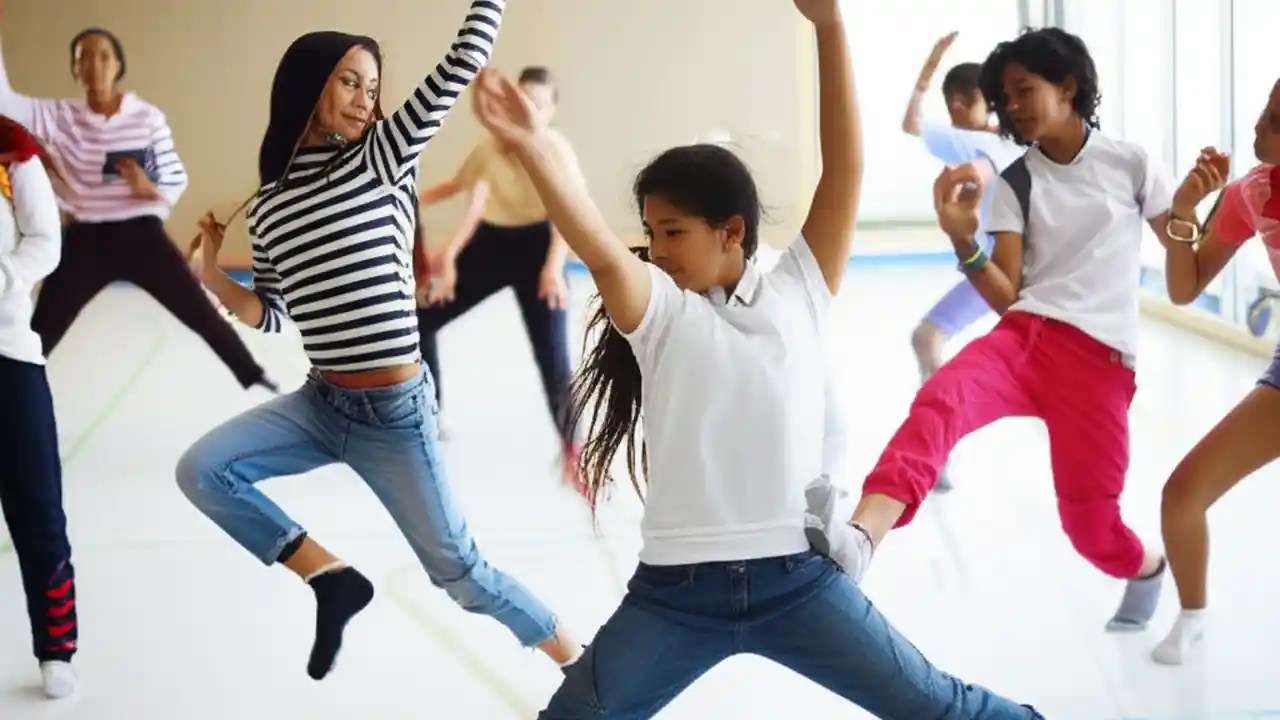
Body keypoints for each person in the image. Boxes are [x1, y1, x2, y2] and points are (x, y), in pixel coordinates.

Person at [470, 1, 1043, 717]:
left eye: (672, 230)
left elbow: (847, 166)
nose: (658, 248)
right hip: (674, 595)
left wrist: (830, 30)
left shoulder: (799, 289)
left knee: (937, 705)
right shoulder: (658, 312)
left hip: (799, 582)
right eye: (652, 231)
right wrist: (533, 146)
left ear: (730, 230)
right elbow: (592, 239)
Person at [175, 0, 581, 681]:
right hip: (321, 403)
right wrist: (210, 272)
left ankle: (580, 661)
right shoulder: (270, 205)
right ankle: (330, 578)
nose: (367, 99)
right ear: (308, 85)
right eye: (349, 82)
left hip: (396, 417)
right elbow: (272, 314)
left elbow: (464, 59)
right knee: (202, 471)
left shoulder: (382, 156)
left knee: (462, 576)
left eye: (372, 84)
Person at [806, 26, 1208, 634]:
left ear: (1069, 85)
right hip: (1024, 339)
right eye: (1005, 97)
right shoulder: (1015, 180)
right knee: (938, 400)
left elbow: (1186, 279)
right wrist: (963, 239)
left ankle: (1147, 568)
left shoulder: (1132, 164)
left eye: (1023, 90)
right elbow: (1010, 296)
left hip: (1099, 364)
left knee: (1091, 530)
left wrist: (1186, 215)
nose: (1012, 106)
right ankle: (862, 537)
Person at [0, 20, 269, 390]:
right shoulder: (60, 116)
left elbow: (174, 177)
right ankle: (14, 387)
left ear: (118, 65)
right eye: (85, 57)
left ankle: (254, 376)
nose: (95, 64)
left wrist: (147, 187)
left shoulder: (146, 118)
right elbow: (6, 103)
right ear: (75, 68)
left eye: (104, 56)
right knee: (42, 328)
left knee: (198, 310)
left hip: (141, 232)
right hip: (84, 238)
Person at [1152, 77, 1280, 665]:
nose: (1258, 127)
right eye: (1266, 109)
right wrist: (1183, 210)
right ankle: (1193, 616)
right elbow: (1184, 287)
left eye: (1277, 120)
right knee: (1182, 495)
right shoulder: (1252, 192)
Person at [416, 66, 580, 483]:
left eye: (537, 104)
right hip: (492, 245)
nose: (526, 109)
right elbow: (458, 188)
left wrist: (553, 268)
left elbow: (567, 214)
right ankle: (428, 420)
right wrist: (404, 198)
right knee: (422, 319)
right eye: (520, 99)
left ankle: (575, 453)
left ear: (551, 111)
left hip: (539, 248)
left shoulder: (555, 150)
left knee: (554, 359)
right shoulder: (489, 147)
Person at [901, 31, 1023, 492]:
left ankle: (937, 450)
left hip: (1005, 267)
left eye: (963, 102)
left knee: (929, 338)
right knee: (926, 339)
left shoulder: (1002, 144)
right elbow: (913, 123)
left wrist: (972, 179)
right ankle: (938, 452)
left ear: (987, 102)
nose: (954, 112)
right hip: (987, 263)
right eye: (950, 103)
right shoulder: (965, 141)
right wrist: (929, 66)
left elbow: (988, 168)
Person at [0, 115, 77, 699]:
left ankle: (56, 649)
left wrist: (6, 279)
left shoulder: (12, 151)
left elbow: (45, 240)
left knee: (38, 510)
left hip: (10, 359)